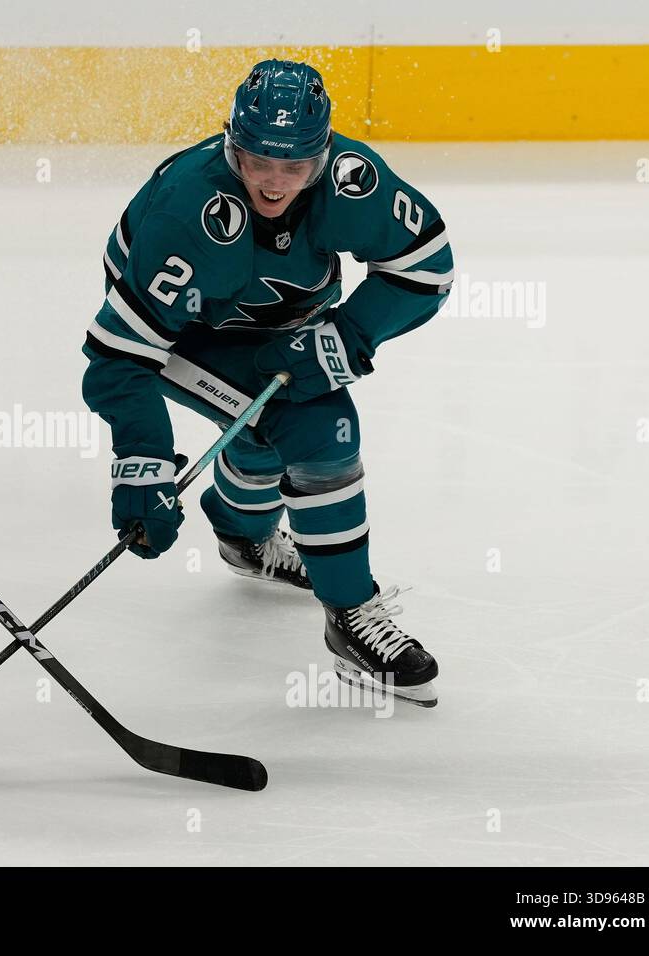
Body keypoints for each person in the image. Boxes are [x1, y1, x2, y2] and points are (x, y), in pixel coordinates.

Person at [81, 59, 454, 706]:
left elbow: (427, 265)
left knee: (259, 427)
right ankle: (351, 613)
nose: (274, 184)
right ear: (232, 144)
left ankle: (243, 537)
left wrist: (350, 333)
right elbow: (119, 354)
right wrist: (140, 459)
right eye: (257, 162)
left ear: (324, 154)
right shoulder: (191, 212)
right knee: (318, 424)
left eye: (294, 167)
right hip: (182, 332)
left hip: (281, 321)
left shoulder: (350, 181)